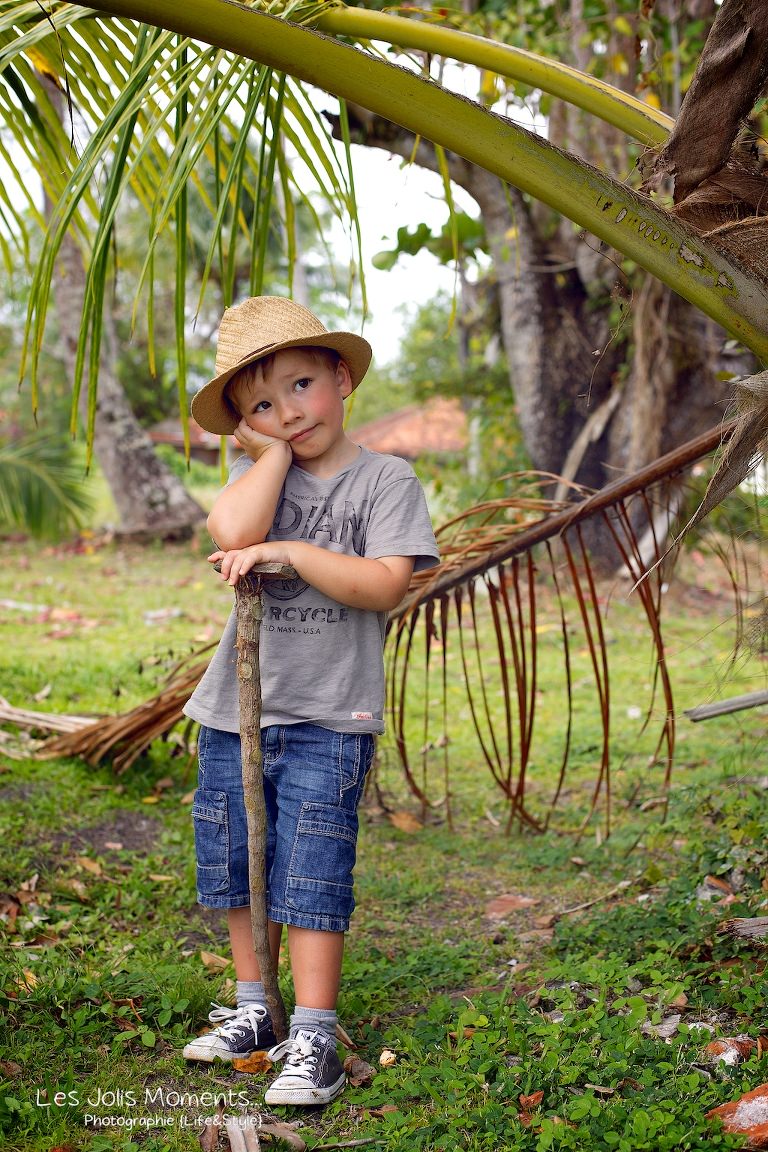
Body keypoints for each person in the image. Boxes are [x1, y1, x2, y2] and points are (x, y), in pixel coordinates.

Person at [181, 296, 439, 1106]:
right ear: (244, 425)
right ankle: (257, 1010)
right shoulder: (258, 476)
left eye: (300, 385)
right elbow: (230, 532)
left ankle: (314, 1035)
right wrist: (267, 458)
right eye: (262, 405)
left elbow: (384, 584)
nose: (288, 412)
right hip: (237, 711)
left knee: (313, 868)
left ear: (340, 378)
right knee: (236, 864)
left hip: (331, 716)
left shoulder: (385, 480)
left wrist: (291, 549)